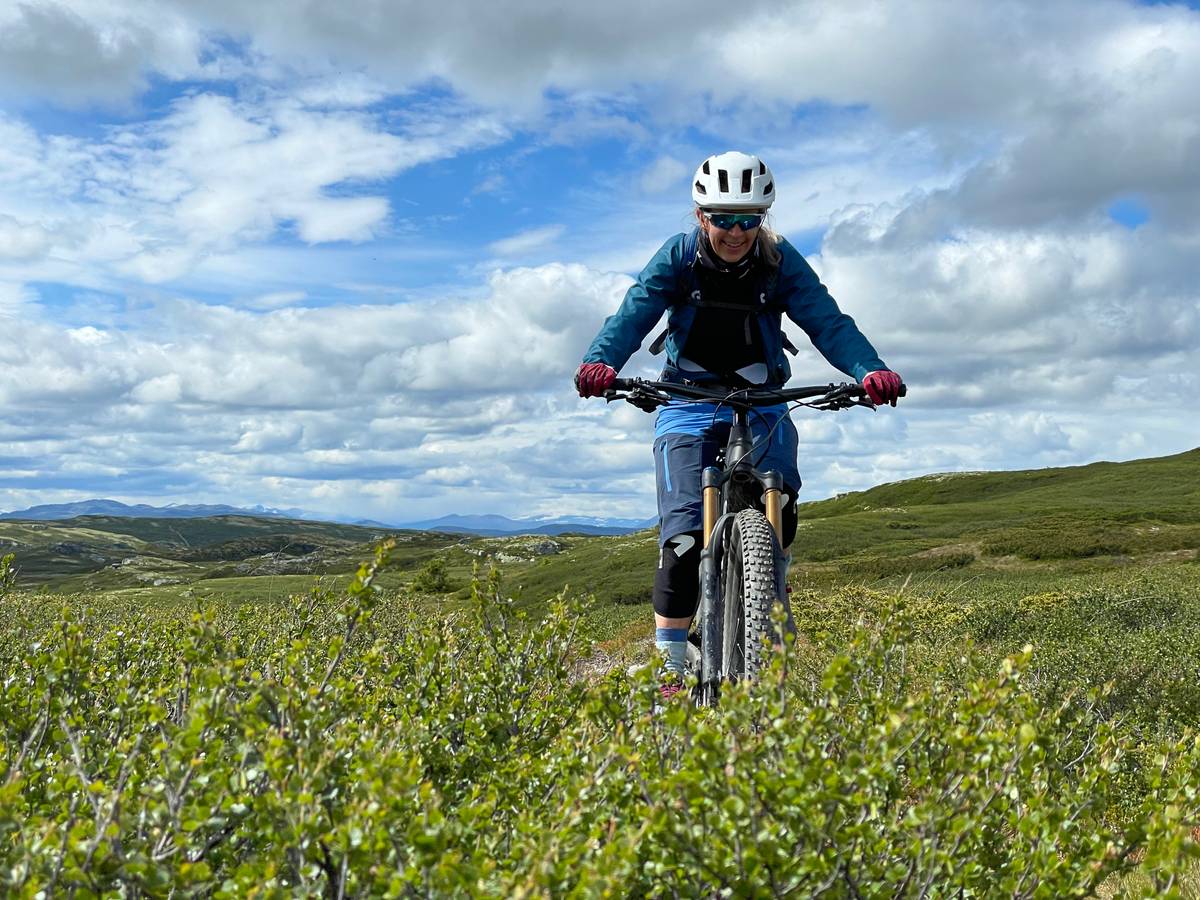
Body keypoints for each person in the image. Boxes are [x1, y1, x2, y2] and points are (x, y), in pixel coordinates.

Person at [575, 151, 903, 699]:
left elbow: (827, 320)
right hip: (686, 399)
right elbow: (634, 311)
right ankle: (671, 667)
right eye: (723, 219)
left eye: (748, 220)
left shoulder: (779, 262)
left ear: (763, 219)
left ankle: (767, 589)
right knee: (682, 541)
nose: (735, 232)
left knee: (784, 507)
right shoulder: (678, 258)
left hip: (764, 398)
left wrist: (869, 370)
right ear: (701, 215)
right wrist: (601, 360)